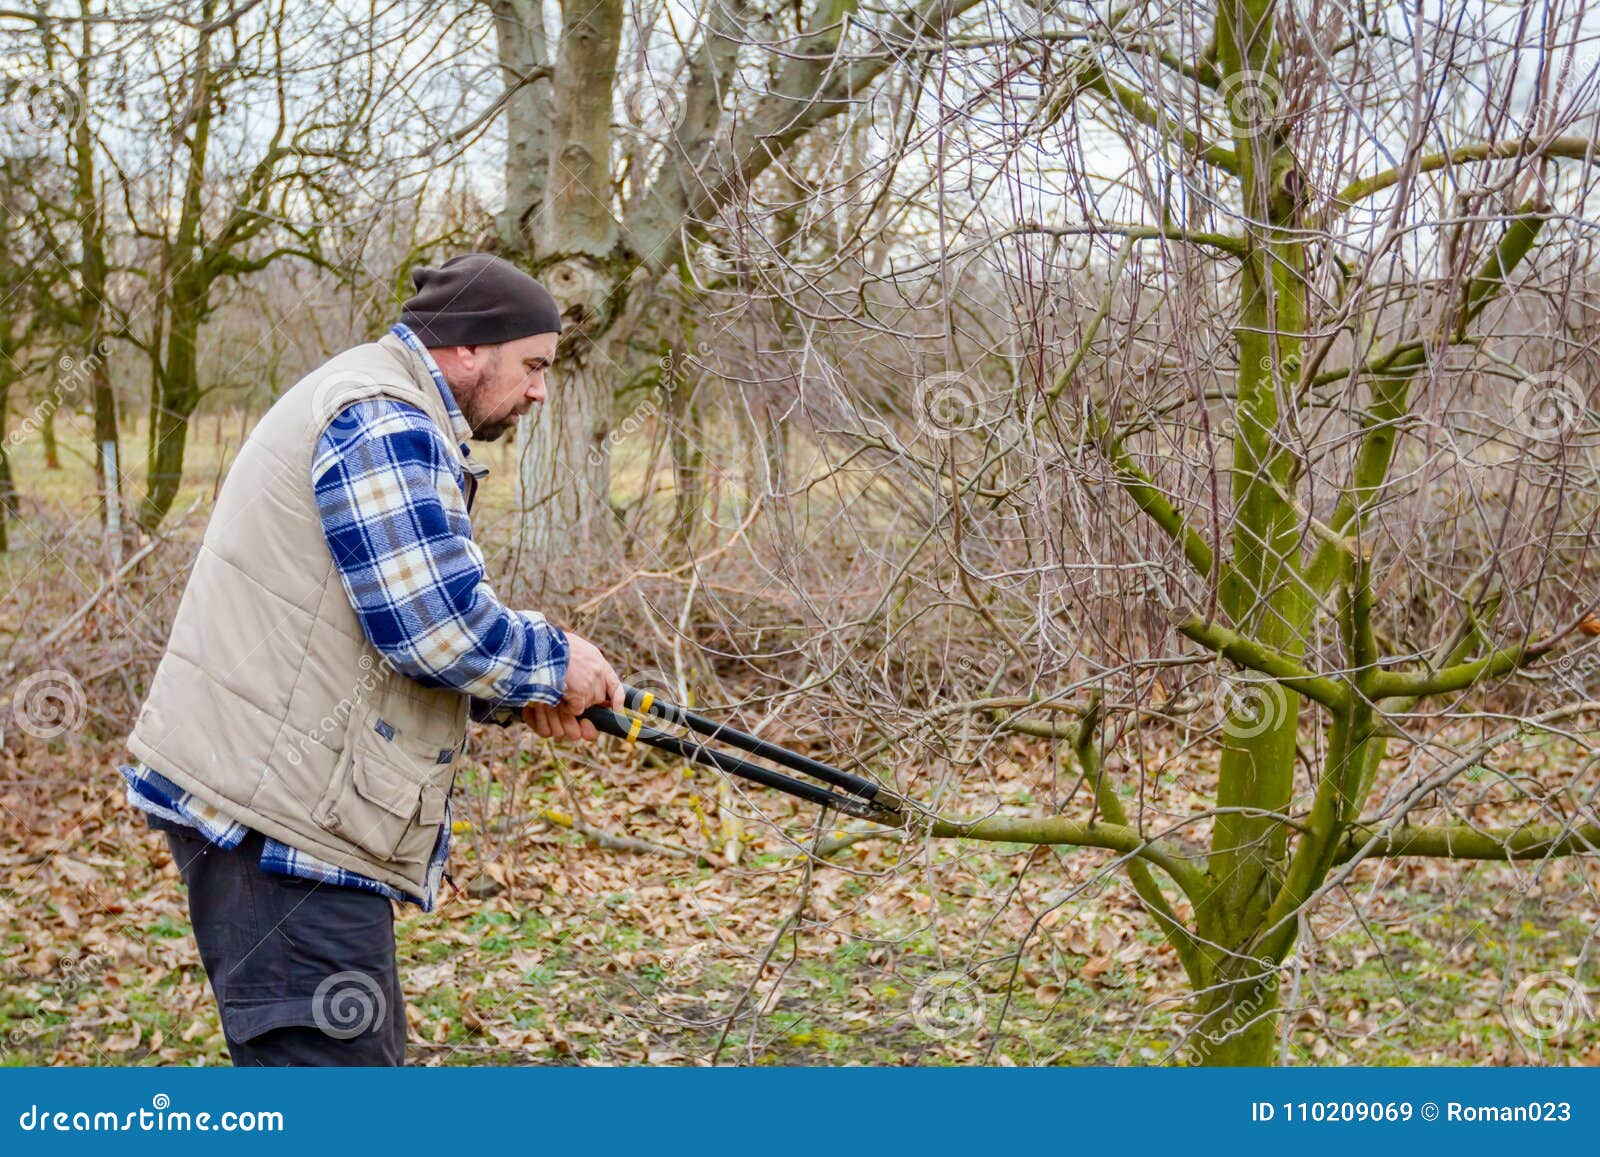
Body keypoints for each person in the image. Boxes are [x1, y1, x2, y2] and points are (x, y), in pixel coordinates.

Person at [120, 253, 622, 1065]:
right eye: (532, 365)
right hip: (275, 823)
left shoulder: (385, 402)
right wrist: (554, 660)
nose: (538, 390)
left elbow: (375, 621)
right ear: (468, 347)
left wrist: (508, 693)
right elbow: (432, 624)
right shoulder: (383, 416)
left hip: (286, 816)